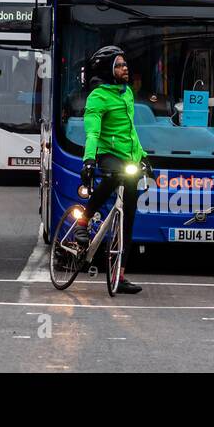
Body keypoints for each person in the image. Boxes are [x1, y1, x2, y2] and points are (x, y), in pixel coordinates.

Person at [71, 45, 150, 295]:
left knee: (128, 220)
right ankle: (83, 220)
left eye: (125, 64)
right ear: (108, 70)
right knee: (115, 175)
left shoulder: (126, 94)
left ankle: (120, 274)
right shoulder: (98, 97)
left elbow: (130, 131)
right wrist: (88, 160)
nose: (125, 68)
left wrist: (144, 157)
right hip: (107, 154)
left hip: (128, 156)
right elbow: (92, 132)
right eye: (119, 65)